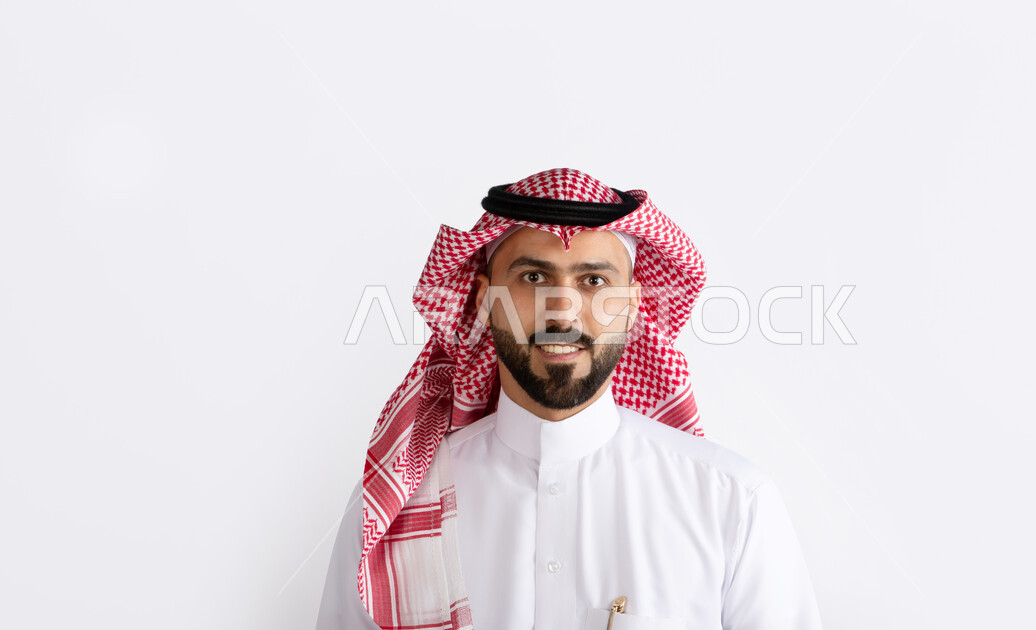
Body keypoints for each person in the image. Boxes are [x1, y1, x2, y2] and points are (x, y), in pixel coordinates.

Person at [316, 168, 822, 629]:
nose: (562, 311)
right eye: (533, 277)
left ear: (632, 306)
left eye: (594, 281)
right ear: (484, 298)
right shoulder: (391, 510)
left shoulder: (731, 502)